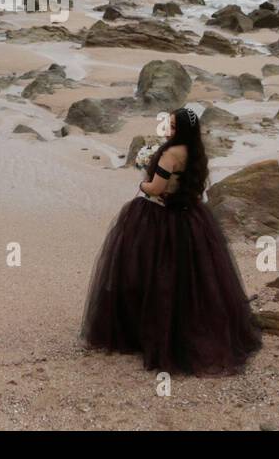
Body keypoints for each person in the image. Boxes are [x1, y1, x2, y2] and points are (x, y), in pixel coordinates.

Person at [81, 106, 261, 374]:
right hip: (189, 218)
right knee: (189, 280)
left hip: (159, 218)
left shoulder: (170, 154)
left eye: (174, 126)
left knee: (150, 275)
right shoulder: (196, 154)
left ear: (182, 130)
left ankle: (149, 334)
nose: (169, 130)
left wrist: (143, 181)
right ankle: (187, 328)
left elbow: (155, 188)